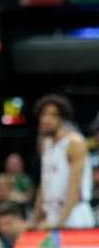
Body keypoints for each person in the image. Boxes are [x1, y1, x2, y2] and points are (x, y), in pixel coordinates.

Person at [32, 94, 95, 230]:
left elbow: (75, 188)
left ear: (63, 119)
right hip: (52, 215)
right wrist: (34, 220)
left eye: (53, 115)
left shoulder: (74, 143)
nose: (46, 119)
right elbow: (44, 185)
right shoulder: (46, 143)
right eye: (43, 115)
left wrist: (60, 222)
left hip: (74, 215)